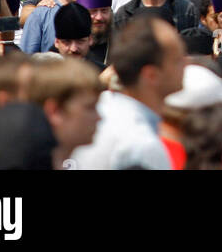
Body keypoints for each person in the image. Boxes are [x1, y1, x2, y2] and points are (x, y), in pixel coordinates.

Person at [71, 17, 185, 170]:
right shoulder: (144, 146)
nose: (185, 65)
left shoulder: (98, 113)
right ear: (151, 75)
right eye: (177, 60)